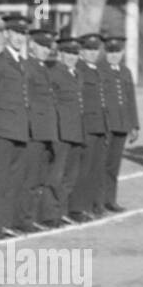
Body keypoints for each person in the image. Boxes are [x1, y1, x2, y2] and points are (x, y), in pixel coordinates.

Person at [0, 14, 31, 238]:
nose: (19, 38)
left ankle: (7, 221)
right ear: (6, 34)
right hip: (3, 130)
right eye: (15, 33)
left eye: (22, 34)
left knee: (15, 180)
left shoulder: (24, 64)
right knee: (0, 178)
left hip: (20, 129)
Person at [45, 36, 84, 226]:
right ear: (61, 54)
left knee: (70, 176)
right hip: (61, 132)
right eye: (68, 53)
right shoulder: (54, 73)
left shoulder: (77, 74)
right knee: (55, 176)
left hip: (76, 131)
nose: (71, 57)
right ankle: (50, 214)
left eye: (75, 54)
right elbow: (51, 105)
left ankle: (61, 211)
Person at [68, 33, 108, 222]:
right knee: (83, 170)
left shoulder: (96, 70)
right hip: (88, 126)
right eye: (89, 49)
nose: (93, 53)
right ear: (81, 52)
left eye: (95, 49)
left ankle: (92, 204)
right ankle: (77, 208)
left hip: (99, 125)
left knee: (96, 169)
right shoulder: (80, 70)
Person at [23, 29, 59, 230]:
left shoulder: (44, 68)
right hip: (34, 132)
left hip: (45, 131)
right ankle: (25, 218)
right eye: (42, 46)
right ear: (32, 46)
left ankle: (33, 216)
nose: (45, 50)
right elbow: (26, 101)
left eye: (48, 47)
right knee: (30, 179)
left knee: (40, 178)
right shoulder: (28, 67)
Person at [99, 34, 139, 212]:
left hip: (122, 124)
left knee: (114, 166)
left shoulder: (125, 71)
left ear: (122, 53)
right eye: (110, 52)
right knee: (101, 164)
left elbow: (130, 99)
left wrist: (134, 125)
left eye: (117, 52)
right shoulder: (99, 69)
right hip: (108, 123)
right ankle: (98, 201)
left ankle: (110, 200)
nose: (114, 55)